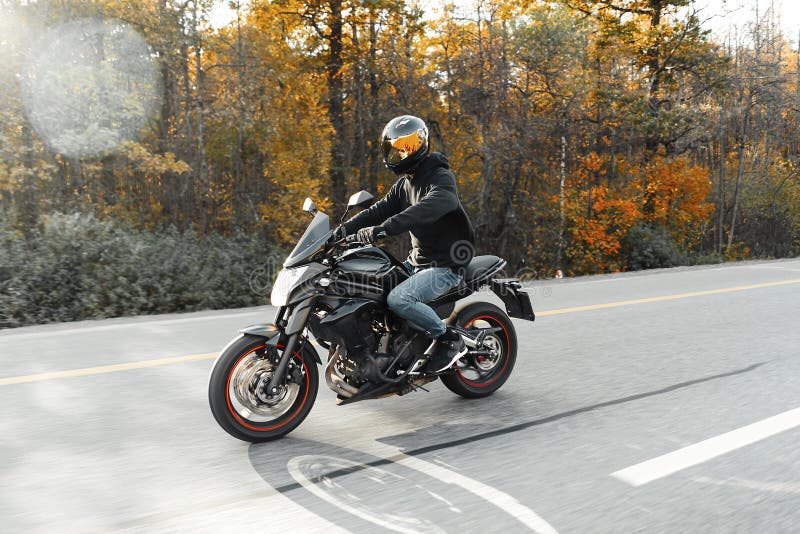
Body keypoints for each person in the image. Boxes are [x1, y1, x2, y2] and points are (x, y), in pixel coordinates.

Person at [338, 115, 475, 373]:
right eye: (397, 148)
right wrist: (339, 232)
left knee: (399, 299)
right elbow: (376, 211)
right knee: (370, 288)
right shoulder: (404, 185)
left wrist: (384, 229)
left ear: (421, 143)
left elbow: (435, 204)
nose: (401, 153)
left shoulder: (441, 178)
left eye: (407, 146)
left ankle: (448, 338)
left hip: (446, 266)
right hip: (417, 262)